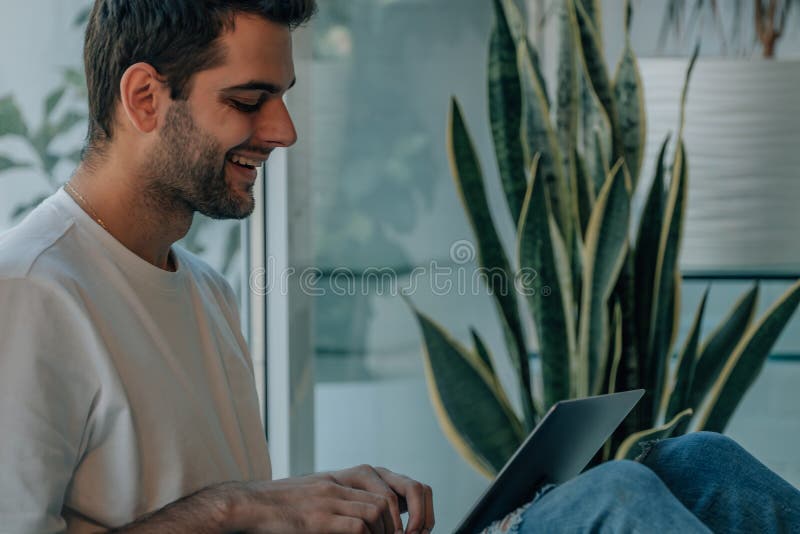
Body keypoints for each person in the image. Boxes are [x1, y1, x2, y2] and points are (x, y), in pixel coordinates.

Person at [0, 2, 797, 534]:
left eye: (283, 96)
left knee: (699, 461)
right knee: (617, 498)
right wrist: (237, 505)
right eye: (249, 99)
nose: (284, 130)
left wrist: (331, 502)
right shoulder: (32, 293)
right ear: (145, 98)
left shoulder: (206, 290)